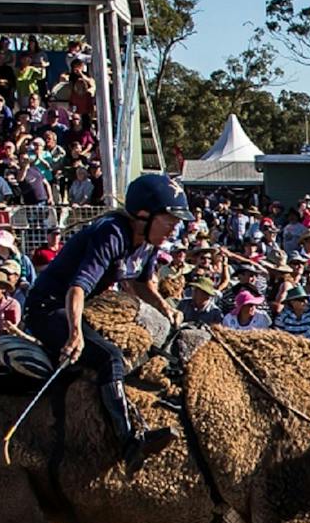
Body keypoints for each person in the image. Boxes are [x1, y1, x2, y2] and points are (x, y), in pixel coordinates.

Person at [22, 173, 190, 471]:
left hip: (77, 307)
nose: (175, 229)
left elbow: (141, 284)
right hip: (49, 309)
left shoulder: (148, 242)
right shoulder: (111, 233)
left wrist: (167, 309)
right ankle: (128, 442)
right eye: (171, 221)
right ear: (144, 215)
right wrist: (75, 335)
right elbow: (77, 287)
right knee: (108, 356)